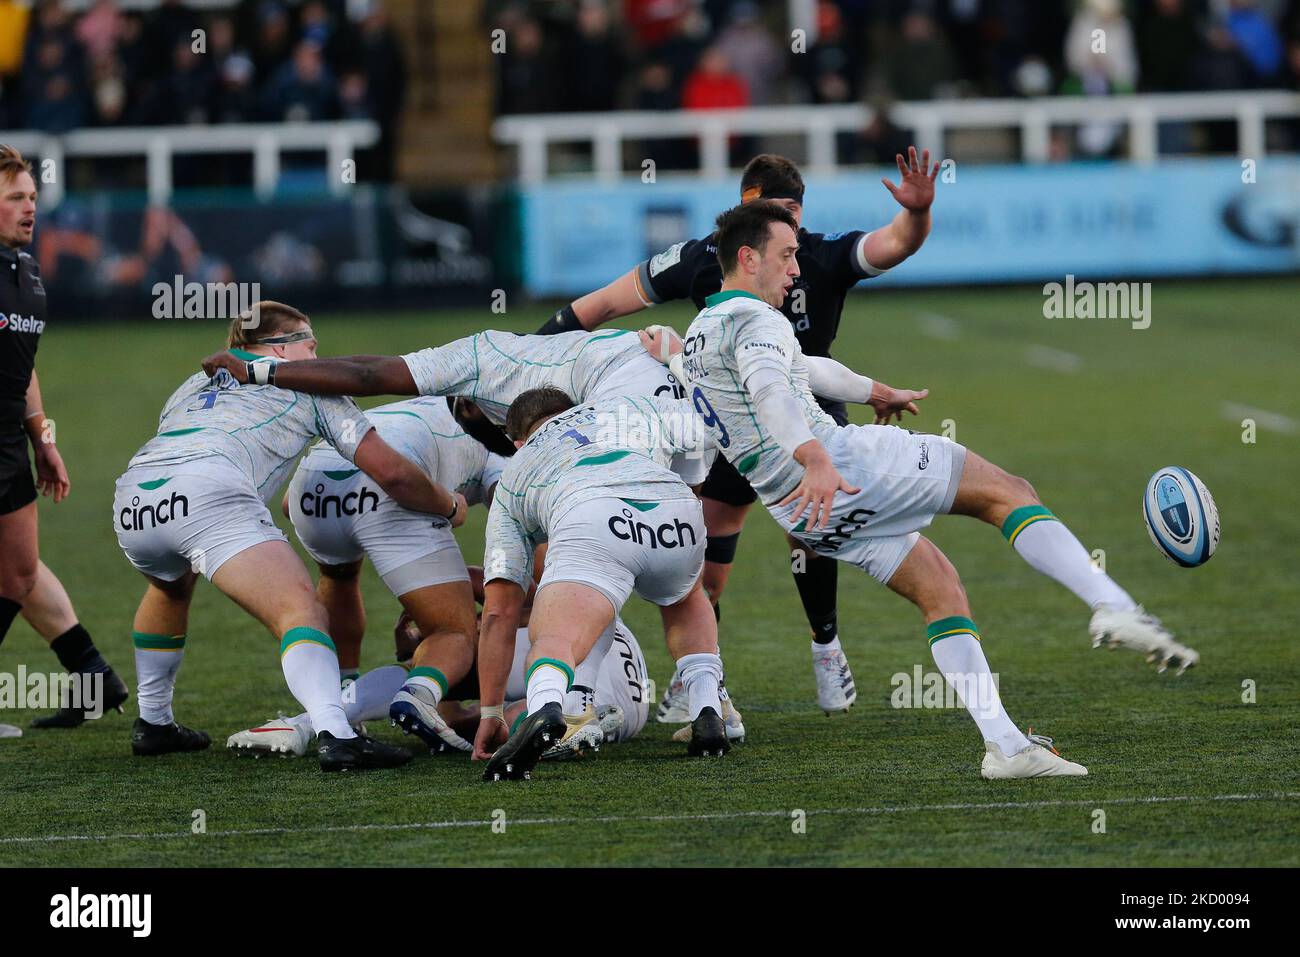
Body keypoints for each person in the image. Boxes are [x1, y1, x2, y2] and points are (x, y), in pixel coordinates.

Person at [645, 200, 1199, 778]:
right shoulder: (757, 321)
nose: (795, 270)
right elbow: (771, 393)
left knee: (940, 587)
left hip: (803, 513)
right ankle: (1113, 606)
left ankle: (1006, 747)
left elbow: (802, 370)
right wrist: (814, 456)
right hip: (841, 466)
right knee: (1008, 491)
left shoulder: (707, 329)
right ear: (747, 257)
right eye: (786, 257)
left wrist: (874, 390)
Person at [534, 151, 940, 717]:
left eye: (784, 217)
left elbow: (893, 243)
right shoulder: (705, 257)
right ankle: (705, 686)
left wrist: (917, 214)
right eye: (758, 215)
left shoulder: (815, 254)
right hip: (727, 418)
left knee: (811, 533)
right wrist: (532, 349)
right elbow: (603, 303)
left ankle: (826, 647)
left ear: (797, 214)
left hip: (807, 413)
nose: (775, 236)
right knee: (703, 549)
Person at [114, 300, 463, 771]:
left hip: (135, 498)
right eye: (309, 342)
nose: (319, 353)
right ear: (278, 348)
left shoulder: (191, 385)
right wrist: (448, 504)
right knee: (300, 611)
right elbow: (394, 474)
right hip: (209, 490)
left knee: (169, 585)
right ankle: (338, 737)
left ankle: (153, 723)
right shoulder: (313, 388)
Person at [475, 388, 725, 781]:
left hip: (592, 513)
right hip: (675, 507)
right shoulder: (626, 407)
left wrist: (490, 711)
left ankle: (546, 706)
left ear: (517, 442)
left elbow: (499, 609)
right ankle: (707, 708)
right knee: (687, 599)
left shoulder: (515, 472)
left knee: (555, 637)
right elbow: (704, 426)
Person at [227, 567, 653, 761]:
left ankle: (313, 721)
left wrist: (440, 627)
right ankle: (426, 702)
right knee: (490, 716)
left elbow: (516, 600)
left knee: (451, 658)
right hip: (621, 687)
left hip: (596, 665)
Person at [276, 395, 506, 753]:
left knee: (338, 576)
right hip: (392, 485)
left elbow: (288, 505)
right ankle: (418, 695)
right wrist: (449, 508)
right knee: (452, 630)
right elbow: (526, 534)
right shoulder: (504, 444)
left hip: (311, 488)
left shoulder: (421, 408)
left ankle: (337, 710)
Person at [0, 144, 128, 739]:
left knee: (17, 573)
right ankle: (91, 676)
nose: (29, 209)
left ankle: (92, 679)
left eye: (31, 198)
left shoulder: (25, 269)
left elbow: (23, 365)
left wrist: (44, 437)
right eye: (15, 199)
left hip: (9, 446)